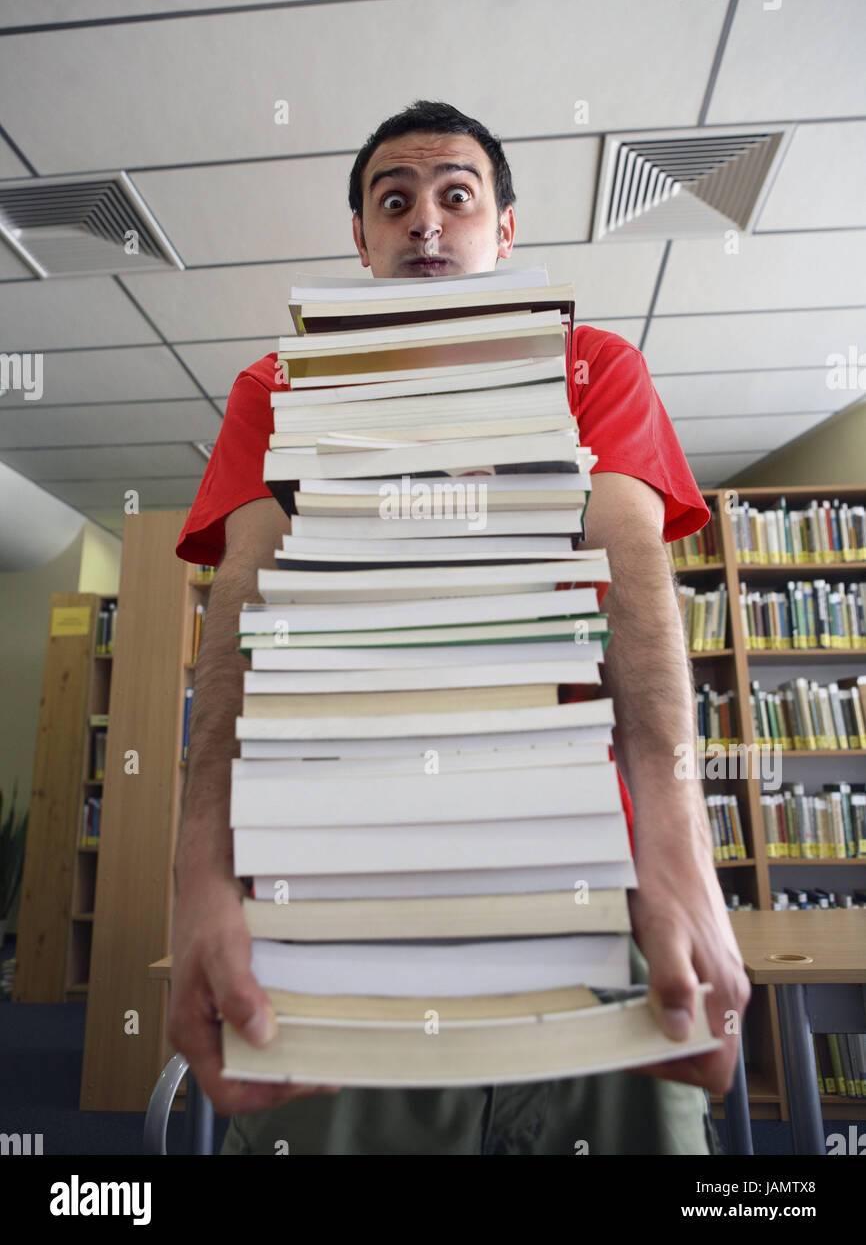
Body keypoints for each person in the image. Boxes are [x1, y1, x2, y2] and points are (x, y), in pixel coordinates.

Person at [170, 100, 750, 1155]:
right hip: (343, 899)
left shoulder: (594, 369)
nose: (424, 220)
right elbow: (240, 622)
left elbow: (632, 585)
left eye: (455, 194)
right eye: (393, 201)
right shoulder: (276, 388)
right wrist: (200, 880)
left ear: (505, 230)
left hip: (588, 894)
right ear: (360, 237)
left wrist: (679, 861)